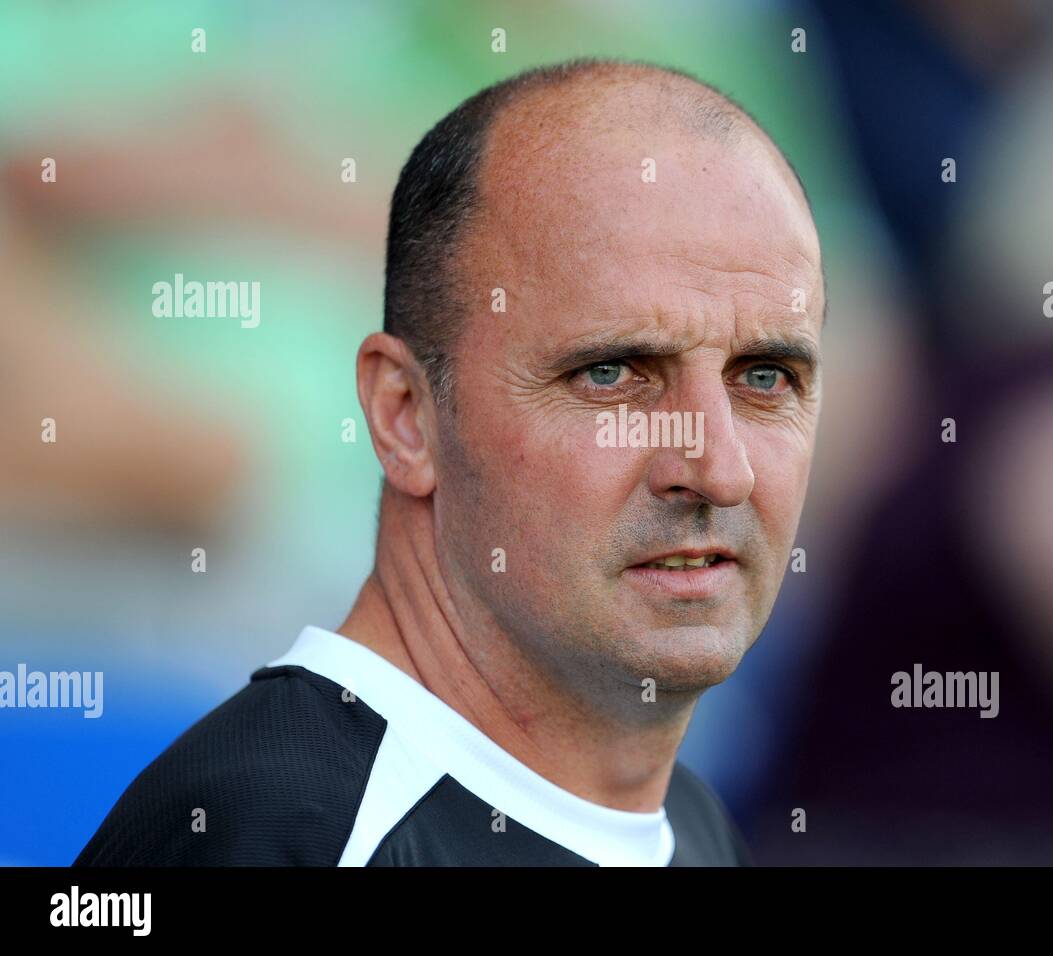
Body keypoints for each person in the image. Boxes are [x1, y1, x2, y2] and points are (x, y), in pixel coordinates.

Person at [75, 56, 825, 866]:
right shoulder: (266, 835)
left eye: (765, 377)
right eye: (610, 374)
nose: (719, 470)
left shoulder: (691, 825)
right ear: (405, 416)